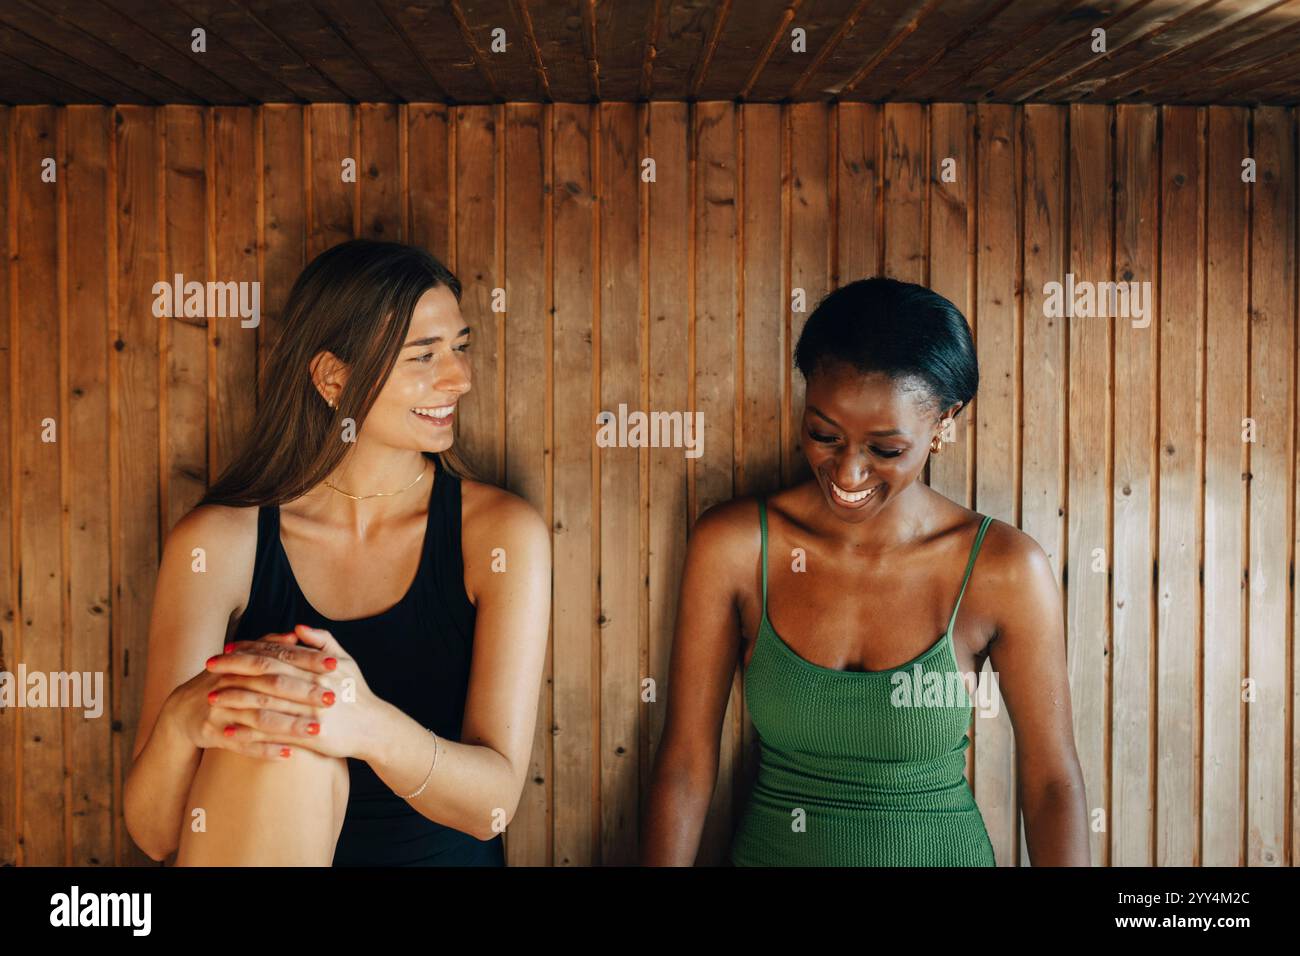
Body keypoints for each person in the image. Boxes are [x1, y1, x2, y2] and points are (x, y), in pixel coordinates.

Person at [124, 239, 551, 866]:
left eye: (460, 347)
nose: (460, 378)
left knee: (299, 714)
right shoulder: (218, 544)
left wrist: (362, 723)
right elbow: (158, 835)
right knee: (284, 741)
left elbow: (493, 806)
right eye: (423, 356)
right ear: (333, 378)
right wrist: (182, 721)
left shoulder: (498, 534)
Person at [642, 276, 1088, 866]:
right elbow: (684, 765)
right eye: (824, 434)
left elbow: (1053, 781)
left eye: (885, 449)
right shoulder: (736, 546)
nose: (848, 474)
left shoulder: (1003, 569)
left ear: (944, 421)